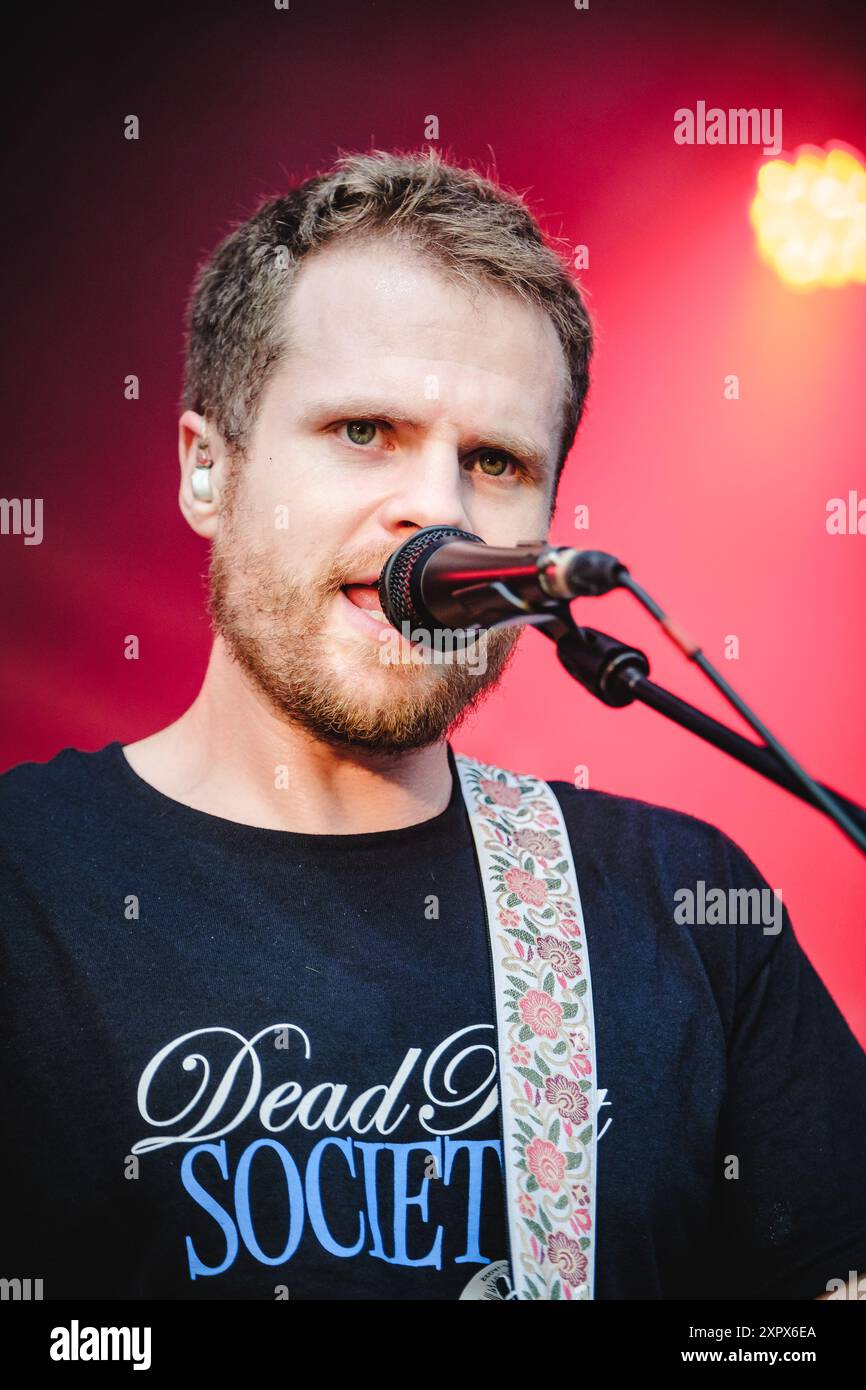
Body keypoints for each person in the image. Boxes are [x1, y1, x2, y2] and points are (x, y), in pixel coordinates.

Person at [1, 148, 864, 1302]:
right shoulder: (25, 883)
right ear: (207, 470)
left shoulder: (680, 904)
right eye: (364, 430)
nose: (439, 511)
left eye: (496, 461)